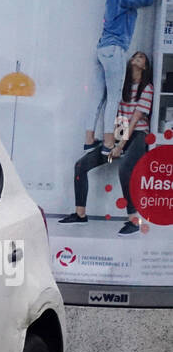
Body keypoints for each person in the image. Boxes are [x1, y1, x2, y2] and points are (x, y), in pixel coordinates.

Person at [62, 51, 155, 234]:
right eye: (134, 56)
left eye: (140, 57)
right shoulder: (122, 89)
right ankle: (80, 215)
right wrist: (113, 142)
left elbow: (135, 119)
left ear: (144, 66)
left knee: (125, 169)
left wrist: (120, 146)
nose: (135, 58)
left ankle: (133, 220)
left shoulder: (147, 88)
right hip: (122, 134)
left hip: (138, 135)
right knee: (80, 166)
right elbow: (120, 117)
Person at [83, 0, 164, 153]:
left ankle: (89, 138)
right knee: (114, 97)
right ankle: (109, 142)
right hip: (114, 49)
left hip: (102, 49)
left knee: (98, 97)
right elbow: (147, 0)